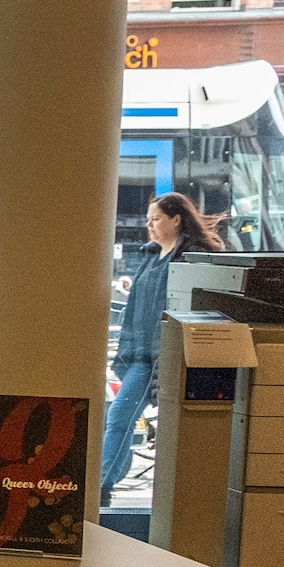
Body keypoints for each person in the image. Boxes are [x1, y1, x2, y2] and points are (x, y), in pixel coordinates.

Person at [102, 191, 225, 505]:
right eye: (148, 219)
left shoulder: (191, 256)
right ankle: (105, 480)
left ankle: (104, 483)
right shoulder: (151, 253)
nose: (150, 225)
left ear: (176, 219)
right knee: (120, 418)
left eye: (156, 218)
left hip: (164, 355)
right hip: (140, 353)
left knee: (121, 417)